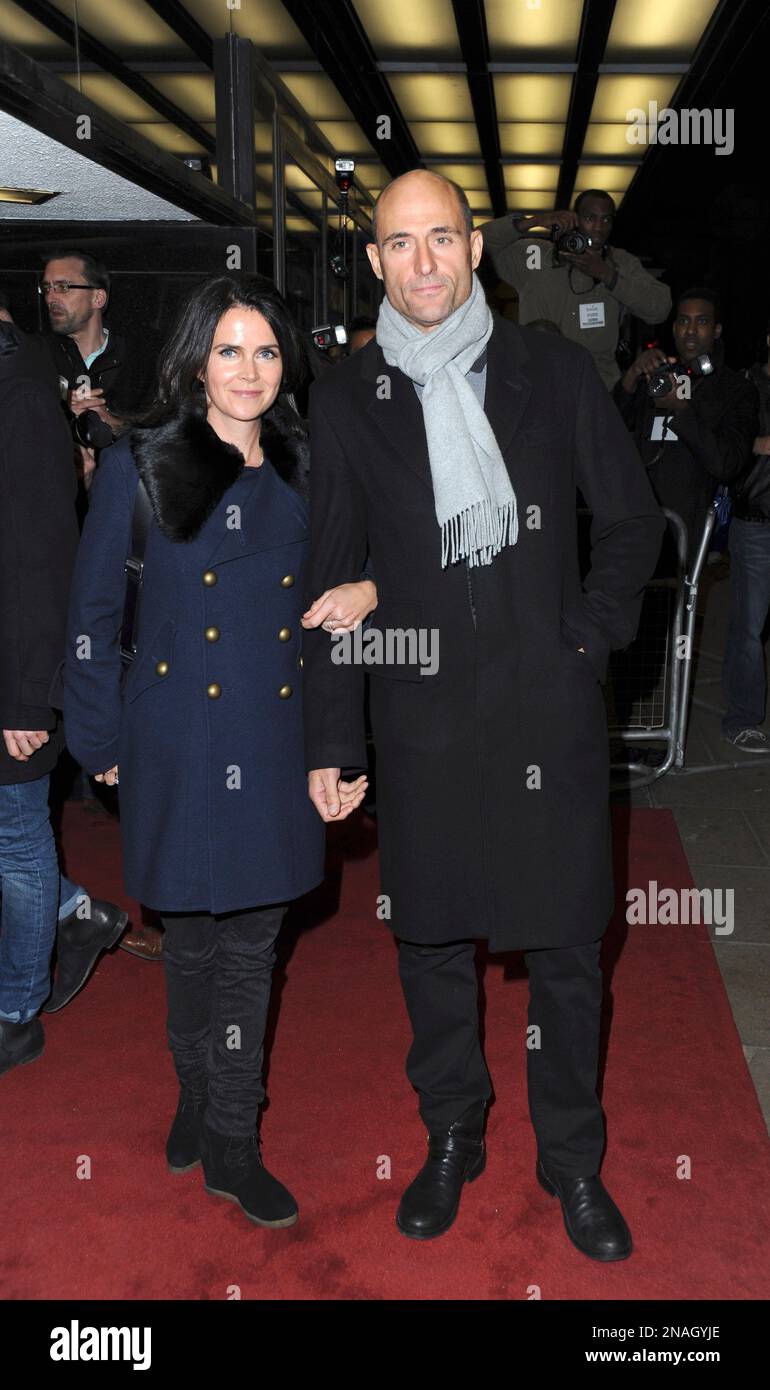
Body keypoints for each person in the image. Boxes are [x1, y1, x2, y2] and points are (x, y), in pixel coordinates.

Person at [302, 169, 665, 1258]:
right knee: (429, 943)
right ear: (373, 261)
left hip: (545, 719)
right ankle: (450, 1131)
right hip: (420, 721)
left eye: (442, 238)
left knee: (562, 950)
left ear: (475, 251)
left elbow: (633, 521)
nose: (422, 261)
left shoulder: (550, 372)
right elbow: (328, 584)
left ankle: (571, 1162)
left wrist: (583, 636)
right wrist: (331, 737)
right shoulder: (346, 395)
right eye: (399, 242)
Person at [63, 274, 376, 1227]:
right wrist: (98, 736)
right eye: (230, 349)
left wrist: (338, 735)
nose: (249, 370)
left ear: (289, 364)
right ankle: (194, 1095)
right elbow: (91, 612)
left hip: (274, 742)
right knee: (190, 943)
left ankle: (233, 1138)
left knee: (250, 949)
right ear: (197, 357)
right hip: (171, 741)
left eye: (268, 351)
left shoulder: (309, 467)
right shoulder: (139, 461)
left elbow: (333, 617)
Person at [0, 320, 127, 1076]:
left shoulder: (17, 397)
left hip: (12, 678)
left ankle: (16, 1010)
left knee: (14, 841)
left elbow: (43, 559)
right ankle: (76, 910)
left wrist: (24, 699)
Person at [612, 288, 758, 571]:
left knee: (675, 610)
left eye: (701, 322)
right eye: (683, 321)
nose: (690, 330)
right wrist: (631, 378)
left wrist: (681, 410)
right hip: (635, 520)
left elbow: (726, 463)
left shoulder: (736, 389)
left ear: (716, 331)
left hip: (687, 530)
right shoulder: (657, 376)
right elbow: (606, 431)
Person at [480, 190, 671, 390]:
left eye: (606, 220)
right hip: (540, 388)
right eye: (590, 218)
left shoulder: (620, 262)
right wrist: (533, 221)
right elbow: (472, 246)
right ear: (574, 219)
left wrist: (607, 275)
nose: (599, 227)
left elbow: (660, 308)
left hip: (597, 389)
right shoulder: (536, 256)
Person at [720, 323, 770, 752]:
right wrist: (760, 443)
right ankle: (742, 719)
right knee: (749, 627)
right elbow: (722, 446)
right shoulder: (746, 385)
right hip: (757, 520)